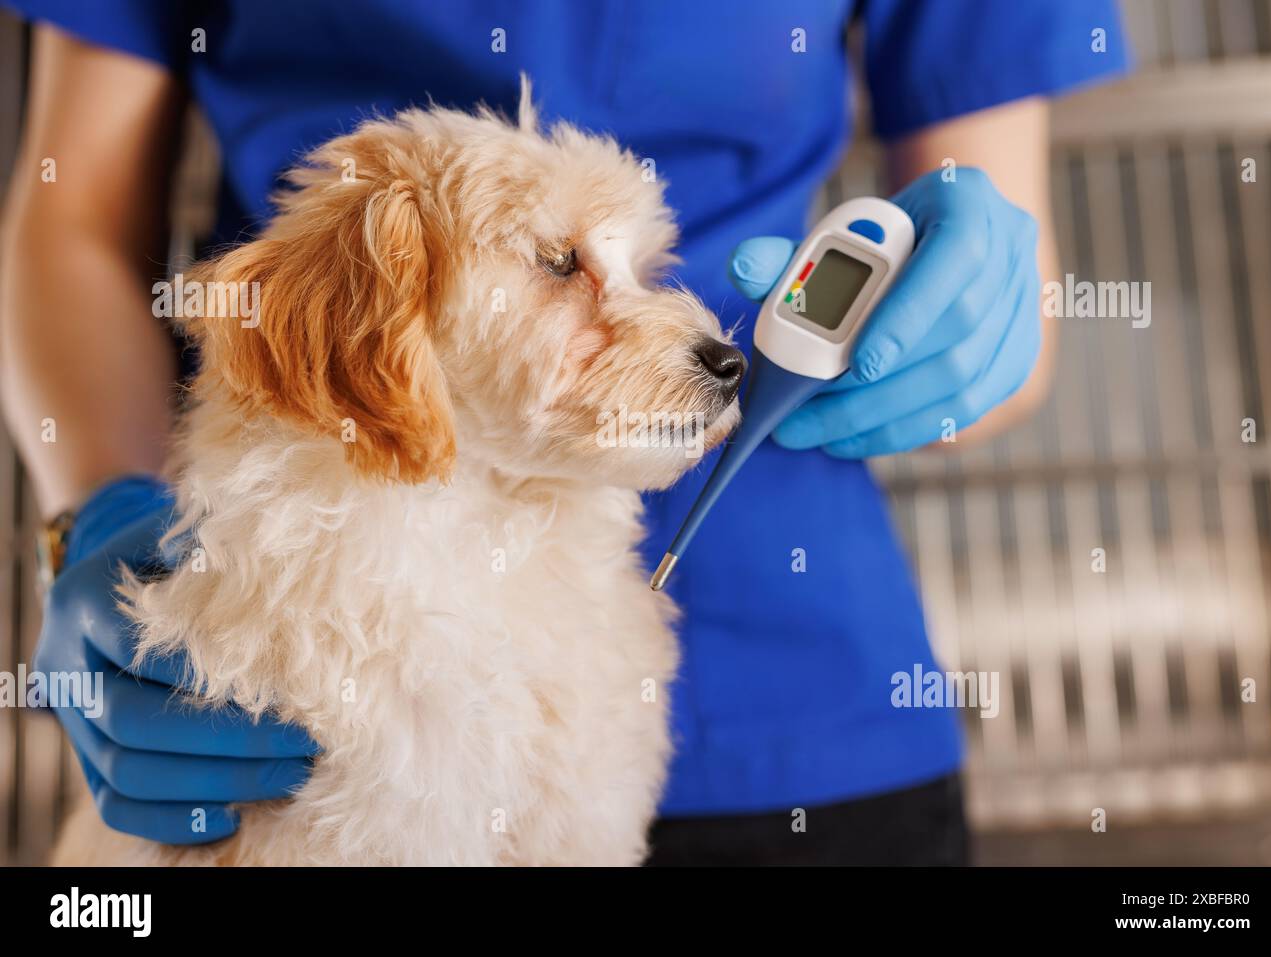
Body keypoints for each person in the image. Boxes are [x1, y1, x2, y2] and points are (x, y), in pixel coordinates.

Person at [0, 0, 1126, 864]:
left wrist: (969, 327)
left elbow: (1002, 266)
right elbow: (72, 216)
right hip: (297, 625)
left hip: (808, 708)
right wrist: (95, 512)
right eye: (559, 267)